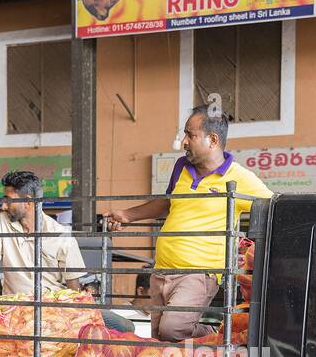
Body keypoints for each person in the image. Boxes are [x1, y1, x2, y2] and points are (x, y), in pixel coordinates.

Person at [105, 107, 273, 342]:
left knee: (173, 329)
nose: (184, 141)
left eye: (190, 135)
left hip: (198, 274)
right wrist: (128, 215)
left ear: (212, 140)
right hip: (161, 270)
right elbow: (168, 203)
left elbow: (274, 208)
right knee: (161, 340)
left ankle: (217, 335)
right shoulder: (181, 167)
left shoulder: (240, 179)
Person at [0, 170, 85, 300]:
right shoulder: (1, 222)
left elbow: (74, 288)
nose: (3, 206)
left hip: (49, 309)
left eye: (8, 201)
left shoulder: (61, 235)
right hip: (12, 308)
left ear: (28, 202)